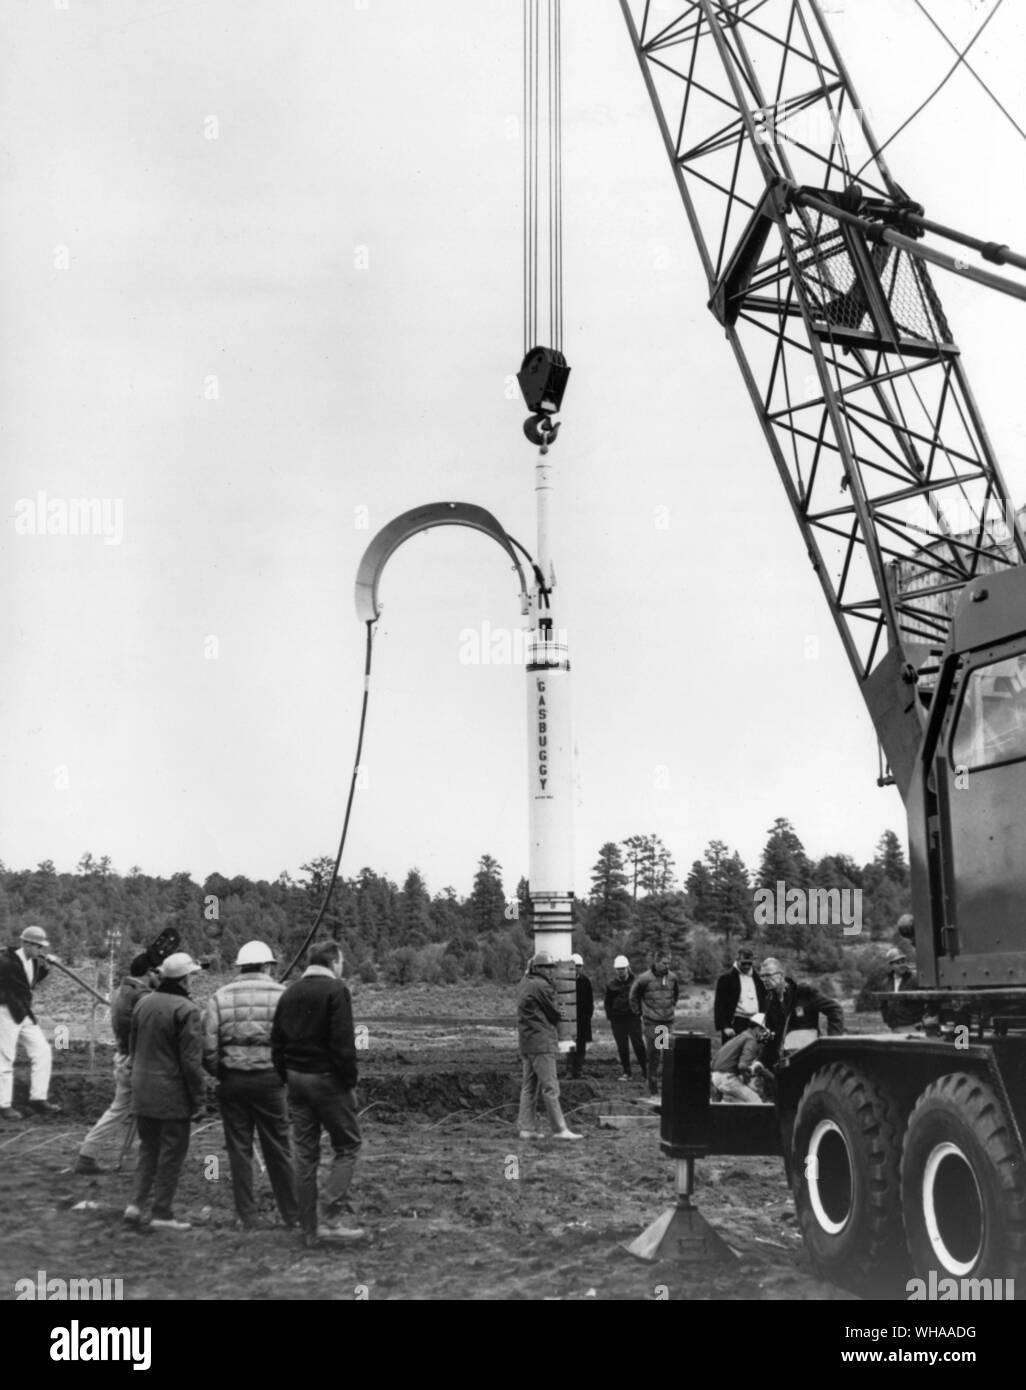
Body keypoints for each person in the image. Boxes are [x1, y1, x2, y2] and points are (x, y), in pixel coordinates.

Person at [271, 939, 366, 1246]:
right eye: (342, 962)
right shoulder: (336, 991)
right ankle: (328, 1217)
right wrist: (349, 1082)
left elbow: (276, 1044)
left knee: (305, 1155)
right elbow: (343, 1044)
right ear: (333, 961)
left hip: (296, 1081)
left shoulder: (288, 993)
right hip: (327, 1081)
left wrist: (287, 1077)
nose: (343, 967)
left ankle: (309, 1228)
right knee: (348, 1146)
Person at [203, 940, 298, 1231]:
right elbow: (292, 1043)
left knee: (239, 1149)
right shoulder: (283, 995)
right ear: (268, 965)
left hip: (232, 1082)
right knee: (279, 1148)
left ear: (240, 966)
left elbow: (207, 1047)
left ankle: (247, 1216)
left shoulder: (219, 996)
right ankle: (291, 1214)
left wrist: (221, 1072)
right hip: (270, 1082)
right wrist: (282, 1075)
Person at [125, 952, 207, 1232]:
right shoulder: (187, 1010)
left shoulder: (143, 1003)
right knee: (171, 1154)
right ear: (184, 979)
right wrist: (199, 1099)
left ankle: (135, 1205)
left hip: (141, 1090)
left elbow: (132, 1047)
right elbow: (191, 1062)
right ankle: (161, 1212)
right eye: (192, 976)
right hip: (171, 1095)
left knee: (148, 1149)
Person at [74, 952, 158, 1174]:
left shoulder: (121, 992)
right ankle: (133, 1163)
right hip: (136, 1061)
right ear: (150, 972)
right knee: (147, 1111)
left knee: (119, 1109)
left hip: (123, 1057)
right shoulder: (142, 997)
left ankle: (88, 1154)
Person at [516, 951, 581, 1141]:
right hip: (542, 1043)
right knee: (550, 1087)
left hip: (527, 1043)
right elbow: (555, 1014)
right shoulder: (542, 986)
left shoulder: (524, 983)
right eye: (548, 968)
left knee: (529, 1087)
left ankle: (526, 1128)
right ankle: (559, 1129)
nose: (552, 972)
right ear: (540, 968)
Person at [0, 926, 62, 1120]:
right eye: (37, 946)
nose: (40, 950)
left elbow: (30, 982)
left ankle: (38, 1098)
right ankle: (3, 1105)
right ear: (26, 943)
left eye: (41, 947)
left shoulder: (34, 962)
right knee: (5, 1057)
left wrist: (48, 965)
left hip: (24, 1012)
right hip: (5, 1010)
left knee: (42, 1051)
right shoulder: (6, 961)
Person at [760, 957, 844, 1067]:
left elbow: (835, 1009)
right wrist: (760, 1062)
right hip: (785, 1062)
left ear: (780, 975)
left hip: (809, 1057)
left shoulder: (803, 994)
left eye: (768, 975)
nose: (765, 980)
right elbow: (772, 1038)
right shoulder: (770, 1004)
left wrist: (833, 1045)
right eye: (762, 976)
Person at [630, 951, 680, 1096]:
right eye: (664, 963)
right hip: (653, 1022)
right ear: (656, 962)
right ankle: (653, 1088)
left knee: (667, 1055)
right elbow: (634, 996)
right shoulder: (644, 978)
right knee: (654, 1056)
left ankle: (667, 1088)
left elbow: (675, 994)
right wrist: (639, 1013)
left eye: (669, 963)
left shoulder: (672, 977)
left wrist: (670, 1009)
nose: (667, 966)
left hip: (667, 1022)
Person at [604, 954, 647, 1082]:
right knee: (622, 1047)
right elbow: (607, 1002)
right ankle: (627, 1072)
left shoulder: (637, 982)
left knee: (638, 1045)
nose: (621, 971)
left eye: (623, 968)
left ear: (627, 967)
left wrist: (639, 1013)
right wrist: (610, 1016)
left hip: (633, 1019)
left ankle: (646, 1071)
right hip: (617, 1020)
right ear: (615, 970)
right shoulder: (611, 984)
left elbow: (642, 998)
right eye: (618, 969)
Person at [711, 1013, 772, 1103]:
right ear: (758, 1029)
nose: (767, 1035)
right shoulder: (752, 1040)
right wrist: (755, 1071)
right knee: (757, 1102)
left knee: (736, 1102)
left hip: (717, 1076)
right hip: (727, 1078)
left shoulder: (744, 1035)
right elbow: (742, 1066)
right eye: (766, 1031)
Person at [713, 946, 767, 1045]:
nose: (746, 966)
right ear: (737, 960)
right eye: (744, 963)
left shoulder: (758, 979)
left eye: (749, 963)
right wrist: (725, 1027)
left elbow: (764, 1000)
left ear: (753, 962)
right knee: (732, 1054)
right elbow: (719, 1005)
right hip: (736, 1022)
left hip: (755, 1022)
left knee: (752, 1053)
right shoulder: (727, 978)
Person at [880, 945, 923, 1031]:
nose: (902, 965)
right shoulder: (886, 982)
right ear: (891, 965)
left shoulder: (915, 979)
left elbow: (927, 1000)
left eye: (903, 961)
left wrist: (922, 1021)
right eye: (898, 963)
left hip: (912, 1025)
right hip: (894, 1026)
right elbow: (883, 1004)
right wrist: (887, 1020)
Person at [568, 953, 594, 1079]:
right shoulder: (565, 981)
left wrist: (588, 1016)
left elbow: (590, 1001)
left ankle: (578, 1070)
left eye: (578, 966)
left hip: (583, 1019)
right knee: (570, 1046)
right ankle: (569, 1070)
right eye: (574, 966)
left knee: (581, 1046)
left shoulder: (585, 981)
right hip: (569, 1020)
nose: (577, 968)